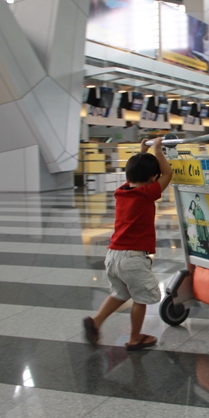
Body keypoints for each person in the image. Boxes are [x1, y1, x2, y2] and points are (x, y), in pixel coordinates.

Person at [83, 137, 173, 351]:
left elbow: (140, 173)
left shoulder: (123, 192)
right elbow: (168, 174)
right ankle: (134, 338)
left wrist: (143, 151)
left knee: (120, 294)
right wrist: (158, 150)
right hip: (132, 259)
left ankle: (95, 321)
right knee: (140, 298)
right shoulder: (146, 194)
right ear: (152, 179)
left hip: (113, 256)